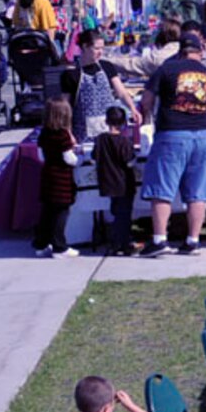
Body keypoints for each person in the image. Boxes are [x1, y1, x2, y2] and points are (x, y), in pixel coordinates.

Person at [137, 30, 206, 256]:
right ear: (200, 52)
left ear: (180, 51)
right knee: (198, 192)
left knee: (162, 189)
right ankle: (193, 240)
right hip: (203, 135)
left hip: (172, 133)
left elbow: (146, 100)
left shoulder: (167, 69)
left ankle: (159, 240)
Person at [67, 29, 135, 142]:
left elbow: (122, 93)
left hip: (108, 129)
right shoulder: (71, 74)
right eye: (97, 48)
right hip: (82, 134)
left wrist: (132, 108)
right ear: (85, 47)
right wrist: (68, 132)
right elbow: (65, 108)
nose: (101, 52)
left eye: (102, 48)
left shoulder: (107, 67)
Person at [34, 96, 81, 258]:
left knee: (47, 213)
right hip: (61, 181)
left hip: (47, 177)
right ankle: (59, 247)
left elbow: (41, 156)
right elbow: (69, 159)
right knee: (61, 213)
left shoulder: (44, 133)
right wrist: (80, 159)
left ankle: (41, 244)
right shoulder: (63, 135)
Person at [94, 106, 139, 257]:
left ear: (106, 121)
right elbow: (129, 162)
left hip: (108, 182)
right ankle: (123, 244)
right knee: (124, 215)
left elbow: (94, 157)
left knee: (116, 212)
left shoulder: (100, 139)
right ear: (124, 122)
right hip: (124, 183)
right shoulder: (124, 141)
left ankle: (116, 241)